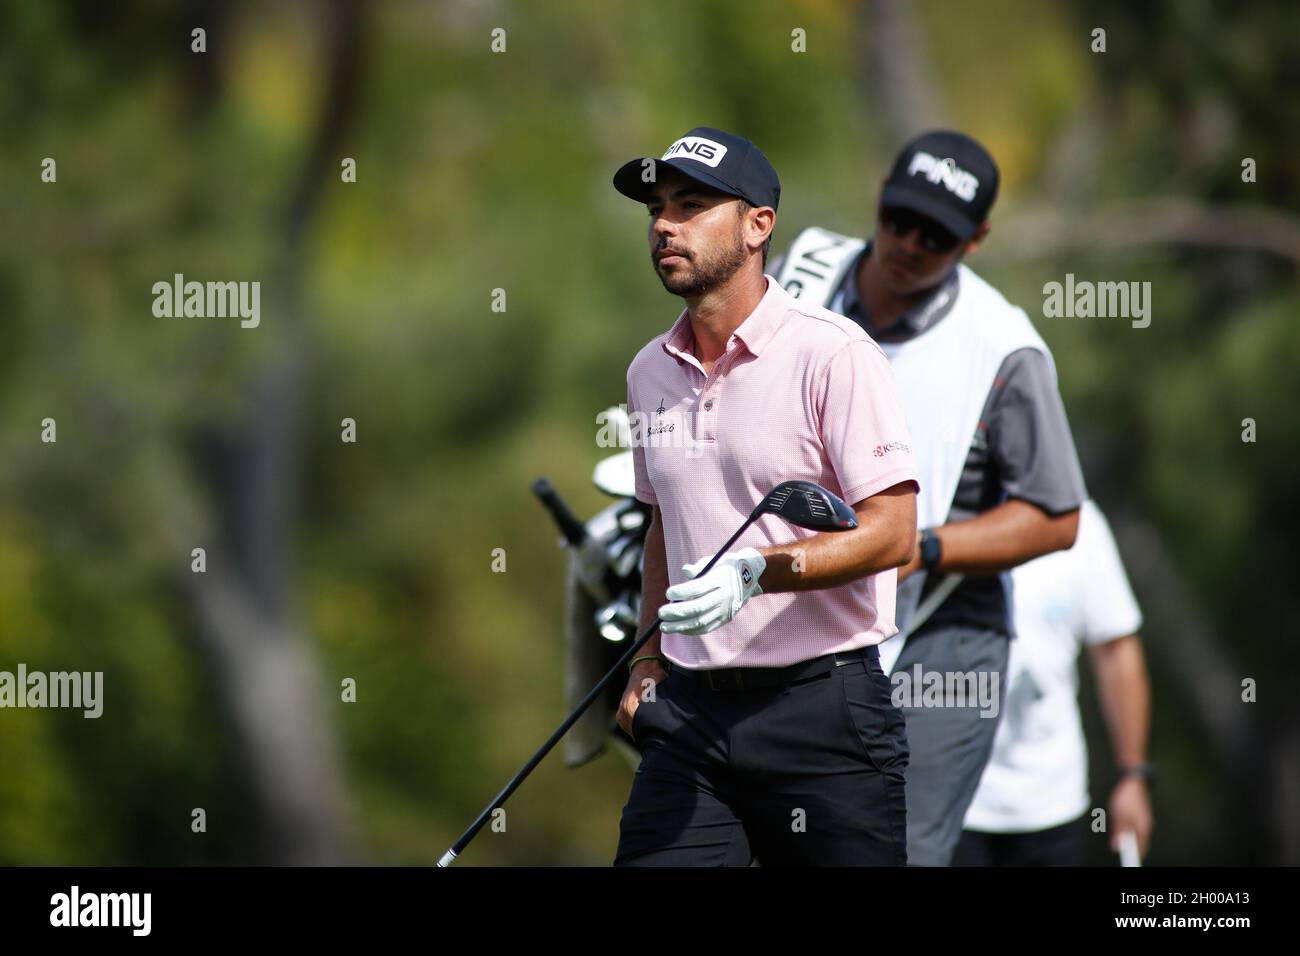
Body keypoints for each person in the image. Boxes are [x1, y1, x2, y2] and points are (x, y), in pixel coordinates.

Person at [774, 130, 1086, 865]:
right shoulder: (800, 271)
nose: (909, 243)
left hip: (945, 629)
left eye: (937, 235)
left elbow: (1057, 514)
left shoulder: (1004, 347)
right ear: (880, 191)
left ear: (975, 241)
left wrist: (924, 547)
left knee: (895, 847)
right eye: (900, 219)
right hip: (804, 600)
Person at [611, 126, 919, 865]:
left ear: (758, 226)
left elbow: (895, 535)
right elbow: (662, 527)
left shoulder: (833, 353)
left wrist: (760, 571)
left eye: (690, 205)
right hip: (690, 713)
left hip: (822, 710)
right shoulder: (648, 372)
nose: (663, 224)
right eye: (657, 208)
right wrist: (647, 657)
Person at [954, 499, 1154, 865]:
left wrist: (1133, 775)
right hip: (945, 801)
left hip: (1051, 801)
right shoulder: (938, 504)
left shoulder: (1083, 521)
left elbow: (1116, 649)